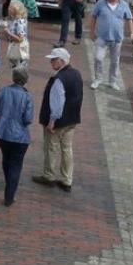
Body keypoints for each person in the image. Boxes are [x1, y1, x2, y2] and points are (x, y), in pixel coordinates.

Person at [32, 48, 82, 192]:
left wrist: (52, 121)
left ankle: (49, 176)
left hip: (58, 122)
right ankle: (67, 179)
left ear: (62, 60)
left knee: (51, 148)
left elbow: (57, 102)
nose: (51, 62)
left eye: (54, 59)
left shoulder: (59, 79)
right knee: (67, 149)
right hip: (72, 120)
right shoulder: (76, 74)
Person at [0, 66, 35, 207]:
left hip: (2, 134)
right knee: (16, 166)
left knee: (6, 159)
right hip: (20, 137)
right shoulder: (27, 96)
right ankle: (9, 196)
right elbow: (28, 119)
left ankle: (9, 184)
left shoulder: (3, 91)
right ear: (26, 80)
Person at [86, 0, 133, 91]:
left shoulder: (124, 4)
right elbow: (93, 17)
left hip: (117, 38)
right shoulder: (100, 3)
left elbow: (130, 19)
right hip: (102, 36)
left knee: (115, 61)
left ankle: (112, 81)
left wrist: (132, 33)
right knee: (98, 58)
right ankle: (98, 79)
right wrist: (91, 31)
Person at [3, 1, 30, 69]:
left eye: (10, 8)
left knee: (18, 69)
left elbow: (20, 39)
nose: (8, 9)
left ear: (15, 10)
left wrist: (8, 32)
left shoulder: (19, 22)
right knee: (15, 67)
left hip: (19, 49)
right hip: (15, 47)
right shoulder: (16, 20)